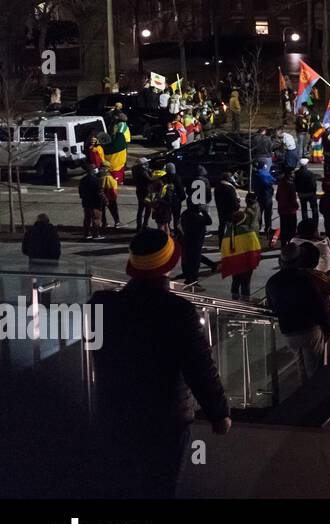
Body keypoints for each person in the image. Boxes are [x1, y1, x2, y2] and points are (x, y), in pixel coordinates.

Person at [89, 229, 231, 497]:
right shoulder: (178, 311)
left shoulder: (102, 304)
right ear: (169, 263)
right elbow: (198, 365)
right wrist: (218, 411)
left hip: (114, 410)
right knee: (160, 485)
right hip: (165, 417)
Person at [265, 242, 330, 381]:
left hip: (289, 331)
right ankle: (315, 399)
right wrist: (327, 327)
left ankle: (304, 395)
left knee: (301, 365)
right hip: (309, 328)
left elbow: (272, 307)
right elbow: (318, 305)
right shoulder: (305, 279)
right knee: (314, 369)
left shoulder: (272, 281)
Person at [219, 206, 263, 301]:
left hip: (234, 262)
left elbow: (224, 248)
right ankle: (245, 302)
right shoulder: (248, 231)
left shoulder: (229, 231)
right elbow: (255, 247)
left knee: (235, 281)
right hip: (246, 263)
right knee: (245, 283)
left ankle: (234, 300)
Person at [178, 200, 212, 288]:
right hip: (196, 242)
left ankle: (188, 277)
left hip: (186, 240)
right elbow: (209, 221)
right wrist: (204, 211)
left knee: (188, 260)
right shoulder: (196, 217)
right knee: (195, 262)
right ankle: (193, 280)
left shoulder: (185, 214)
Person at [78, 166, 107, 240]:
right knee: (96, 218)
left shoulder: (83, 179)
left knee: (87, 218)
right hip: (95, 202)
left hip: (86, 201)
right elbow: (99, 192)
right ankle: (96, 234)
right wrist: (105, 200)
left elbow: (80, 191)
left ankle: (86, 234)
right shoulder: (96, 180)